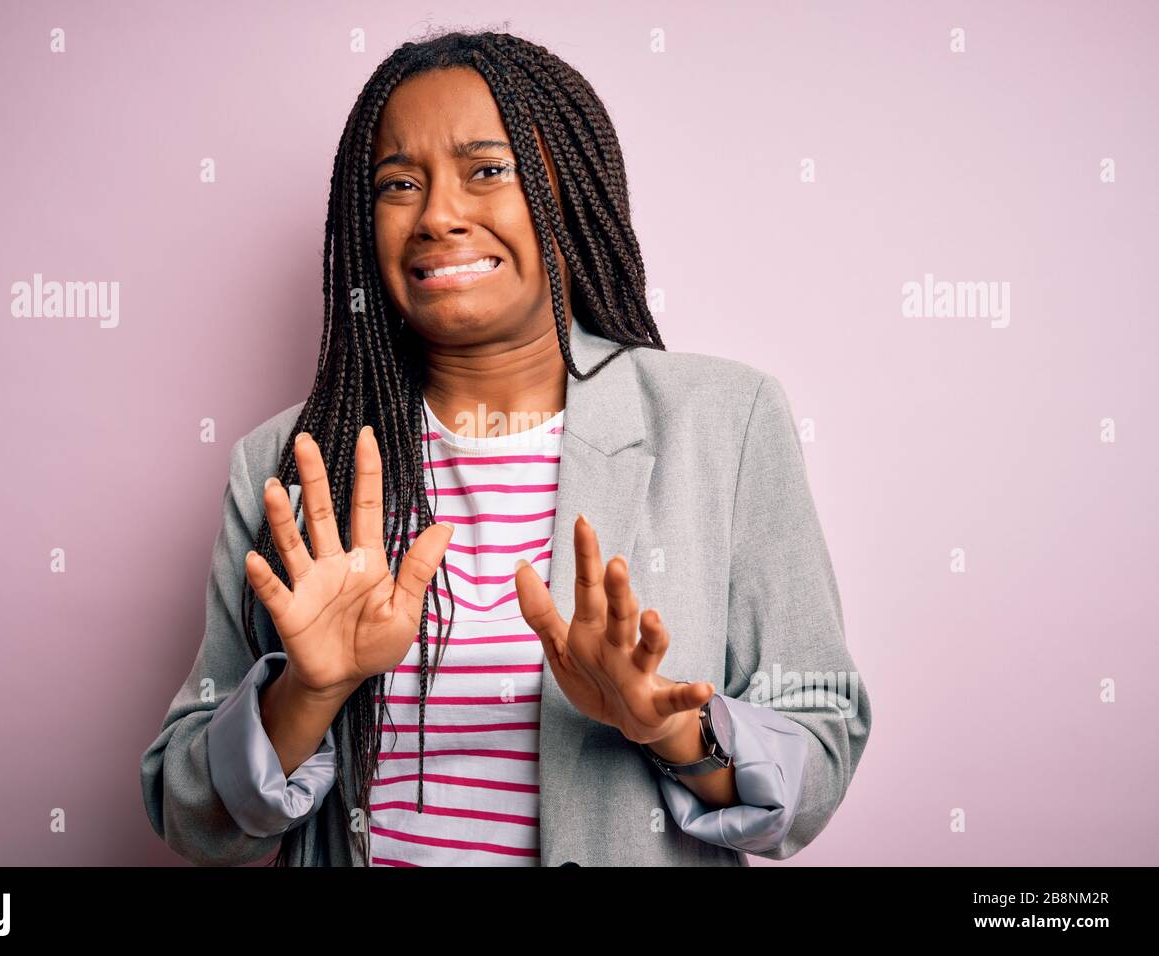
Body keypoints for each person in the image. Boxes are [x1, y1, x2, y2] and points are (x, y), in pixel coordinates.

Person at [140, 29, 871, 867]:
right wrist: (309, 692)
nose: (439, 215)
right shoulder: (289, 462)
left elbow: (819, 748)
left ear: (572, 192)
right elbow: (190, 816)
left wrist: (673, 729)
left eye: (487, 171)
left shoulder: (727, 422)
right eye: (398, 184)